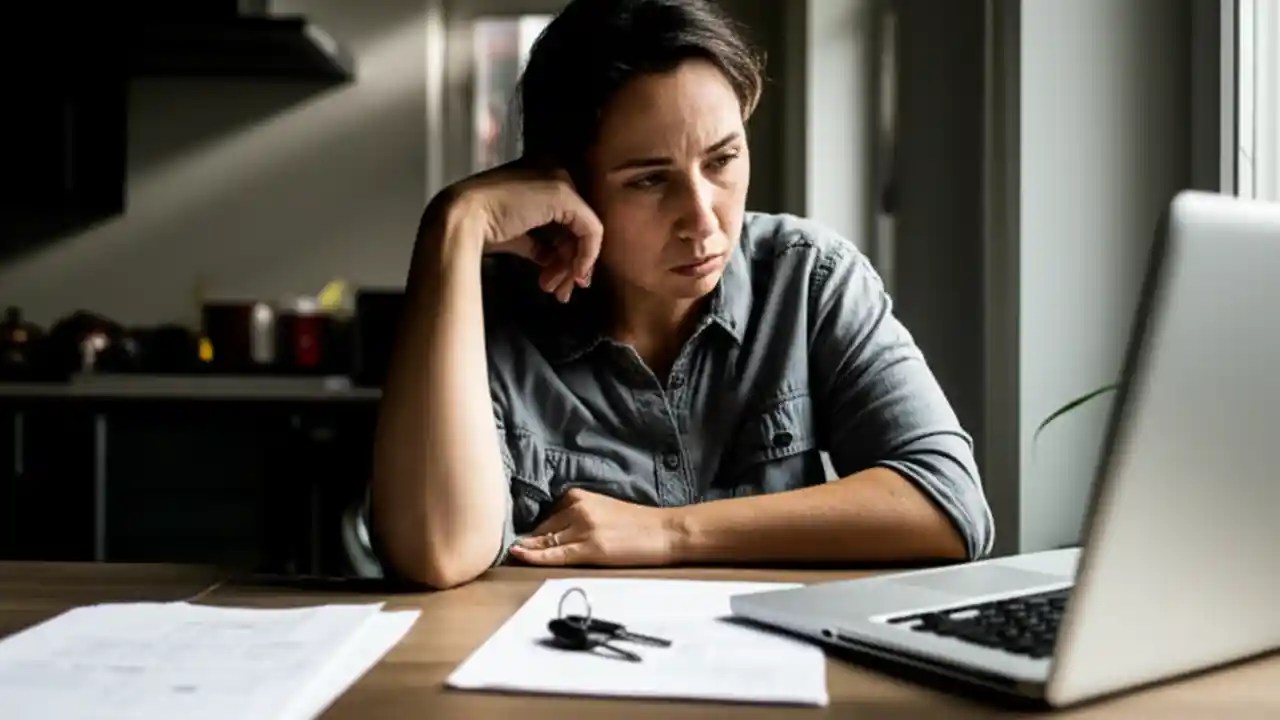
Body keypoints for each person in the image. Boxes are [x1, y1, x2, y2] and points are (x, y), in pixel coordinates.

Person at [360, 0, 994, 589]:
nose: (703, 218)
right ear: (566, 186)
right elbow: (435, 551)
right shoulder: (487, 316)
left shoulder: (808, 278)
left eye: (721, 162)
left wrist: (665, 531)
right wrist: (454, 223)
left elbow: (949, 505)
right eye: (649, 180)